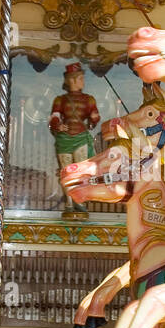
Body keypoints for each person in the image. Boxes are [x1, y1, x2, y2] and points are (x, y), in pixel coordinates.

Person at [49, 62, 100, 214]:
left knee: (80, 172)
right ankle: (69, 203)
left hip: (80, 138)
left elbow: (94, 117)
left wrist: (94, 118)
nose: (83, 82)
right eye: (81, 78)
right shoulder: (60, 100)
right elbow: (54, 117)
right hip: (64, 139)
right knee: (66, 172)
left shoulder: (89, 99)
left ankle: (79, 200)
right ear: (72, 80)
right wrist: (58, 125)